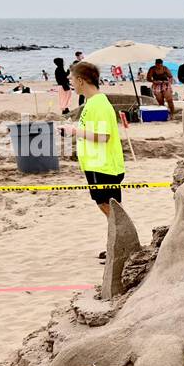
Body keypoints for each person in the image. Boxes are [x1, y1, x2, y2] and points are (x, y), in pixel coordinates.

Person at [66, 60, 126, 235]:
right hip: (97, 164)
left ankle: (122, 243)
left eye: (72, 79)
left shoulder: (98, 103)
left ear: (81, 80)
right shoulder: (92, 102)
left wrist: (75, 131)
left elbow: (104, 136)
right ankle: (117, 243)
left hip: (103, 165)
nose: (71, 83)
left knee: (110, 207)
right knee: (108, 207)